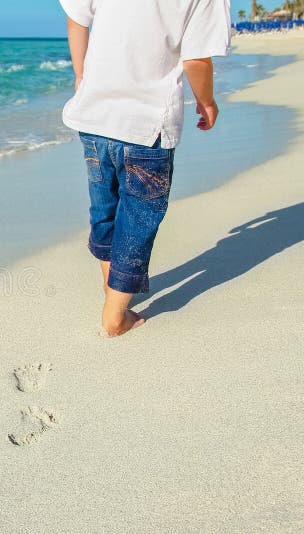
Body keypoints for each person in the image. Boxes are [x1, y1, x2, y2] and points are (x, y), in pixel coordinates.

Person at [59, 0, 232, 336]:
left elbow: (76, 17)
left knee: (105, 208)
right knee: (138, 218)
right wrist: (206, 100)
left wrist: (81, 75)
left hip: (94, 117)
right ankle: (114, 316)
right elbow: (196, 57)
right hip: (146, 126)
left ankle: (113, 289)